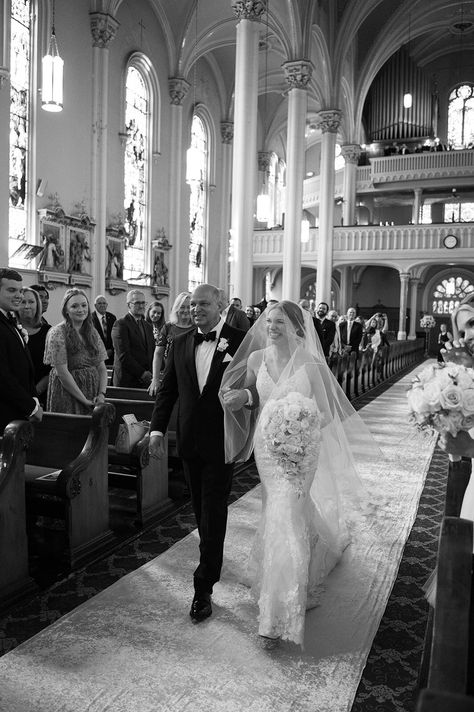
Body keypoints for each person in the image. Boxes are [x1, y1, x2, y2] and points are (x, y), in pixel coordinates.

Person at [220, 301, 380, 648]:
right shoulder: (256, 358)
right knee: (279, 510)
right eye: (269, 321)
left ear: (295, 326)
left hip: (303, 450)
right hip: (266, 446)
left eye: (280, 322)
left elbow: (325, 412)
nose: (272, 326)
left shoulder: (310, 363)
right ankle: (296, 566)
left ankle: (275, 614)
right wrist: (241, 397)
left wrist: (300, 426)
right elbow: (253, 396)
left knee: (287, 511)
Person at [149, 283, 247, 623]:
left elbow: (257, 383)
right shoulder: (180, 342)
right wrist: (157, 430)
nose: (196, 309)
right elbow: (168, 391)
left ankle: (203, 584)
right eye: (192, 305)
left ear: (219, 304)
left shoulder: (239, 339)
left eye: (203, 304)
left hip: (222, 440)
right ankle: (211, 556)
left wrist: (246, 397)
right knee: (200, 507)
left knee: (213, 508)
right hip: (189, 440)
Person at [44, 288, 108, 415]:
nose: (81, 309)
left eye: (84, 305)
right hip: (68, 393)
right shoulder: (57, 332)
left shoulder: (92, 332)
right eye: (74, 306)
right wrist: (83, 400)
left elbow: (101, 367)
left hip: (93, 392)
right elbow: (62, 373)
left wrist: (101, 394)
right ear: (66, 310)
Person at [0, 268, 43, 431]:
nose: (19, 295)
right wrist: (31, 406)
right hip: (5, 413)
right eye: (11, 290)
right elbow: (3, 376)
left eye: (20, 290)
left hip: (15, 411)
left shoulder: (8, 319)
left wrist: (34, 400)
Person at [148, 292, 193, 396]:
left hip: (191, 377)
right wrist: (155, 379)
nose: (186, 310)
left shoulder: (197, 328)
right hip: (170, 374)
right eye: (182, 307)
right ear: (176, 308)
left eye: (188, 307)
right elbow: (158, 354)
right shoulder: (168, 327)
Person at [111, 290, 155, 388]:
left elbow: (151, 351)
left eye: (143, 303)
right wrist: (142, 373)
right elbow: (123, 355)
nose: (141, 306)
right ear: (129, 305)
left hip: (145, 381)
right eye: (137, 303)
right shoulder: (120, 324)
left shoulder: (148, 326)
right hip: (127, 381)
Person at [18, 287, 51, 407]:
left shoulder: (49, 332)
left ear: (38, 305)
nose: (27, 306)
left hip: (41, 396)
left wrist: (34, 394)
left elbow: (52, 369)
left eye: (31, 302)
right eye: (23, 302)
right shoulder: (10, 329)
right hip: (14, 395)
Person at [91, 295, 116, 365]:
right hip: (96, 357)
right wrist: (102, 352)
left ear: (107, 305)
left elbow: (116, 336)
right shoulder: (89, 319)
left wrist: (111, 350)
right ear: (95, 305)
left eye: (104, 303)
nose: (102, 305)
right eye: (99, 303)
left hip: (111, 357)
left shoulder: (112, 318)